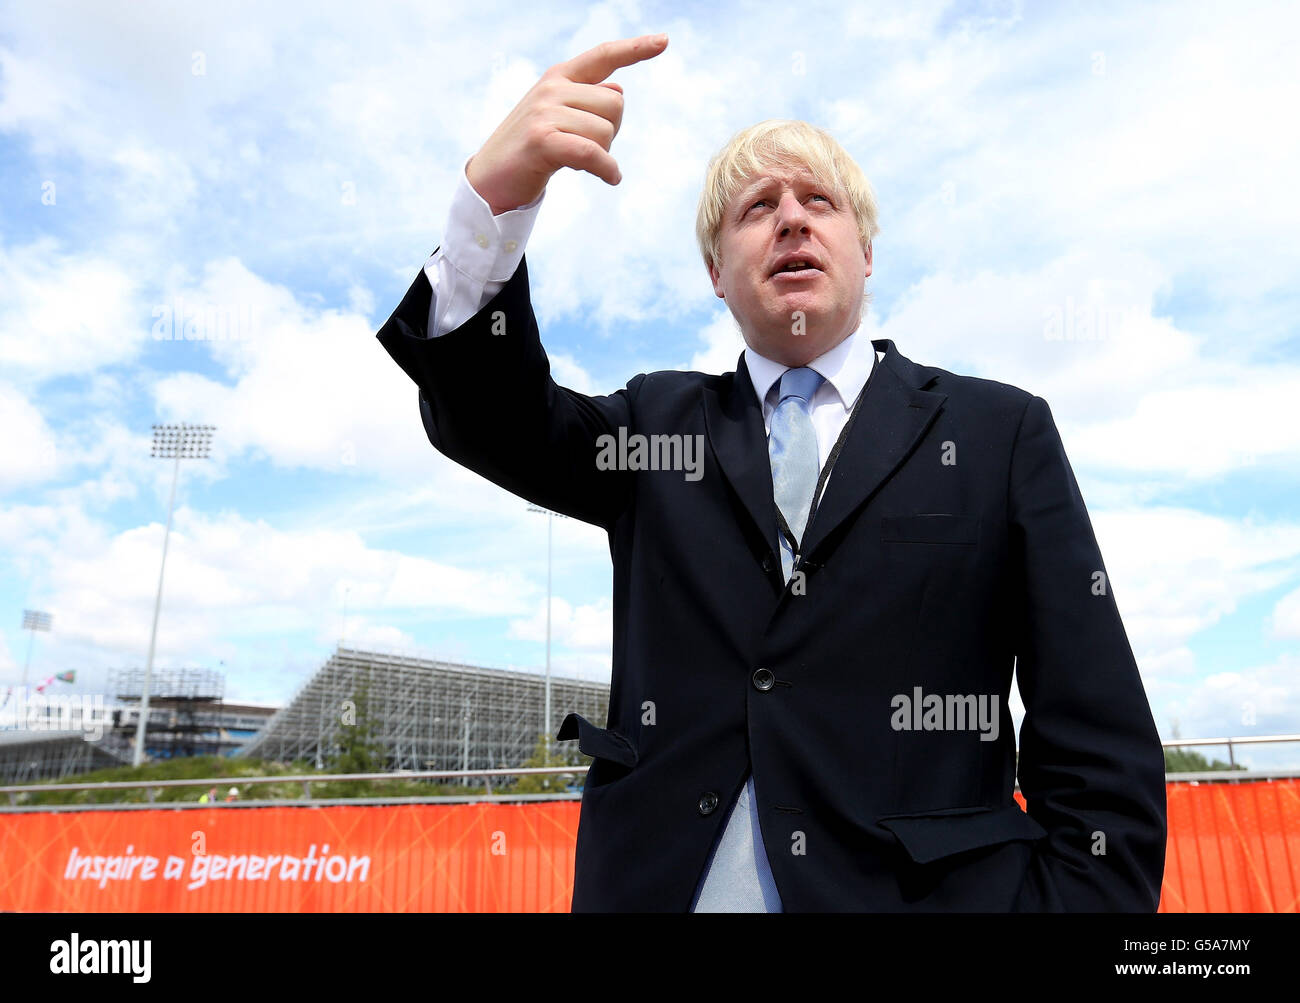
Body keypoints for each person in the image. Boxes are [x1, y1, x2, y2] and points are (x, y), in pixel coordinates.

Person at [376, 34, 1167, 912]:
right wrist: (494, 203)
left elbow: (1097, 738)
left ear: (865, 252)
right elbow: (496, 421)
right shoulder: (654, 424)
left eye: (818, 200)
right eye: (756, 208)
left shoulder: (998, 430)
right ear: (716, 272)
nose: (791, 217)